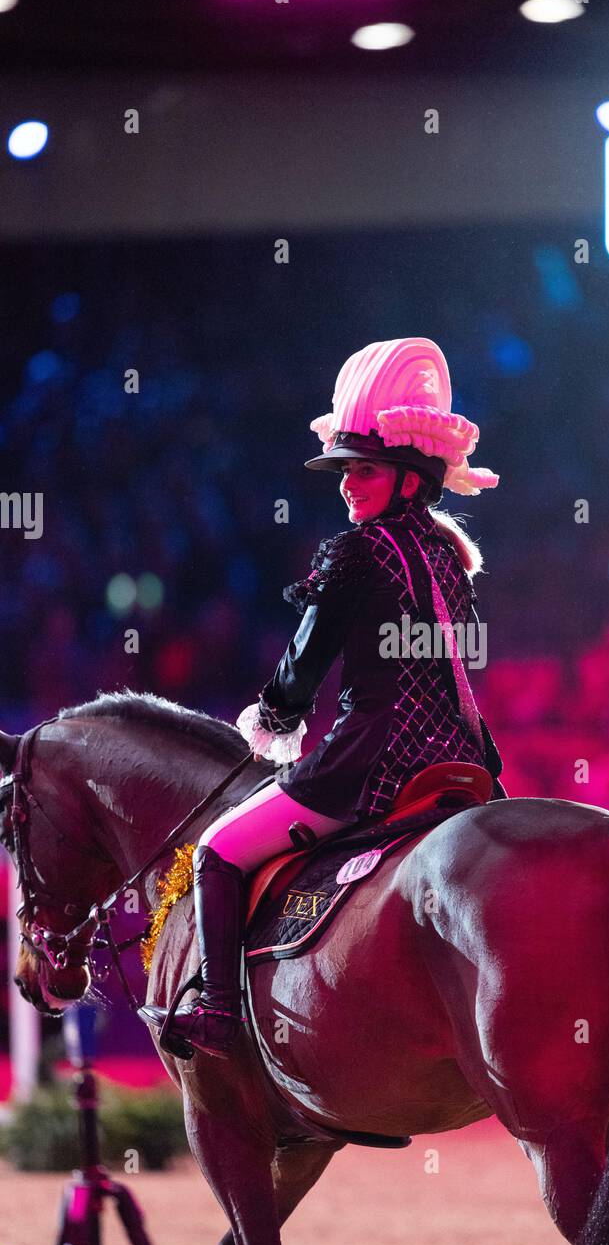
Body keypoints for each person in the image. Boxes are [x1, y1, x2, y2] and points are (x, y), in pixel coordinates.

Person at [140, 337, 506, 1058]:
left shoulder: (354, 551)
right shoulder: (448, 559)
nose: (346, 486)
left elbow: (301, 667)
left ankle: (219, 1015)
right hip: (463, 764)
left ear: (407, 479)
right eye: (343, 472)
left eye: (362, 470)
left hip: (370, 769)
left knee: (216, 850)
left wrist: (273, 721)